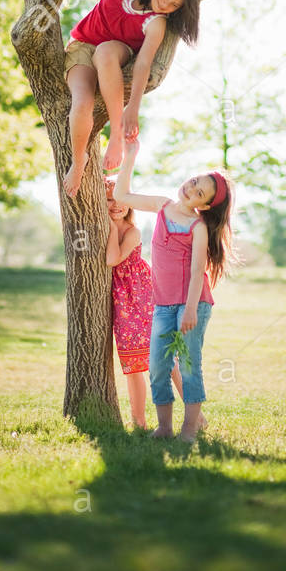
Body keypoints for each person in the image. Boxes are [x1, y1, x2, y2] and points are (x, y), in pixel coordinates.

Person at [114, 139, 233, 443]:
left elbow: (197, 271)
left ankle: (190, 429)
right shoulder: (163, 206)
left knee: (189, 365)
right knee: (158, 366)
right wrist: (130, 156)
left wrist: (190, 309)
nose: (191, 189)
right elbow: (122, 195)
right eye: (194, 181)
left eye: (199, 193)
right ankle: (164, 427)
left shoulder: (198, 227)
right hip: (163, 305)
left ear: (204, 206)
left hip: (192, 304)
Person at [63, 0, 200, 197]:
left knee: (105, 52)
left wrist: (133, 108)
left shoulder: (157, 23)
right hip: (82, 46)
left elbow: (143, 64)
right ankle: (78, 161)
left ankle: (115, 135)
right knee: (82, 102)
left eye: (174, 5)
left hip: (116, 52)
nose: (166, 4)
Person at [104, 179, 185, 428]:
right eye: (109, 200)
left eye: (120, 200)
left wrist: (110, 227)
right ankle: (139, 421)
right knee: (132, 363)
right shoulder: (99, 227)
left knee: (166, 357)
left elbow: (112, 259)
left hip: (142, 297)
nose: (116, 205)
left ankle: (196, 414)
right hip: (122, 300)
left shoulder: (132, 232)